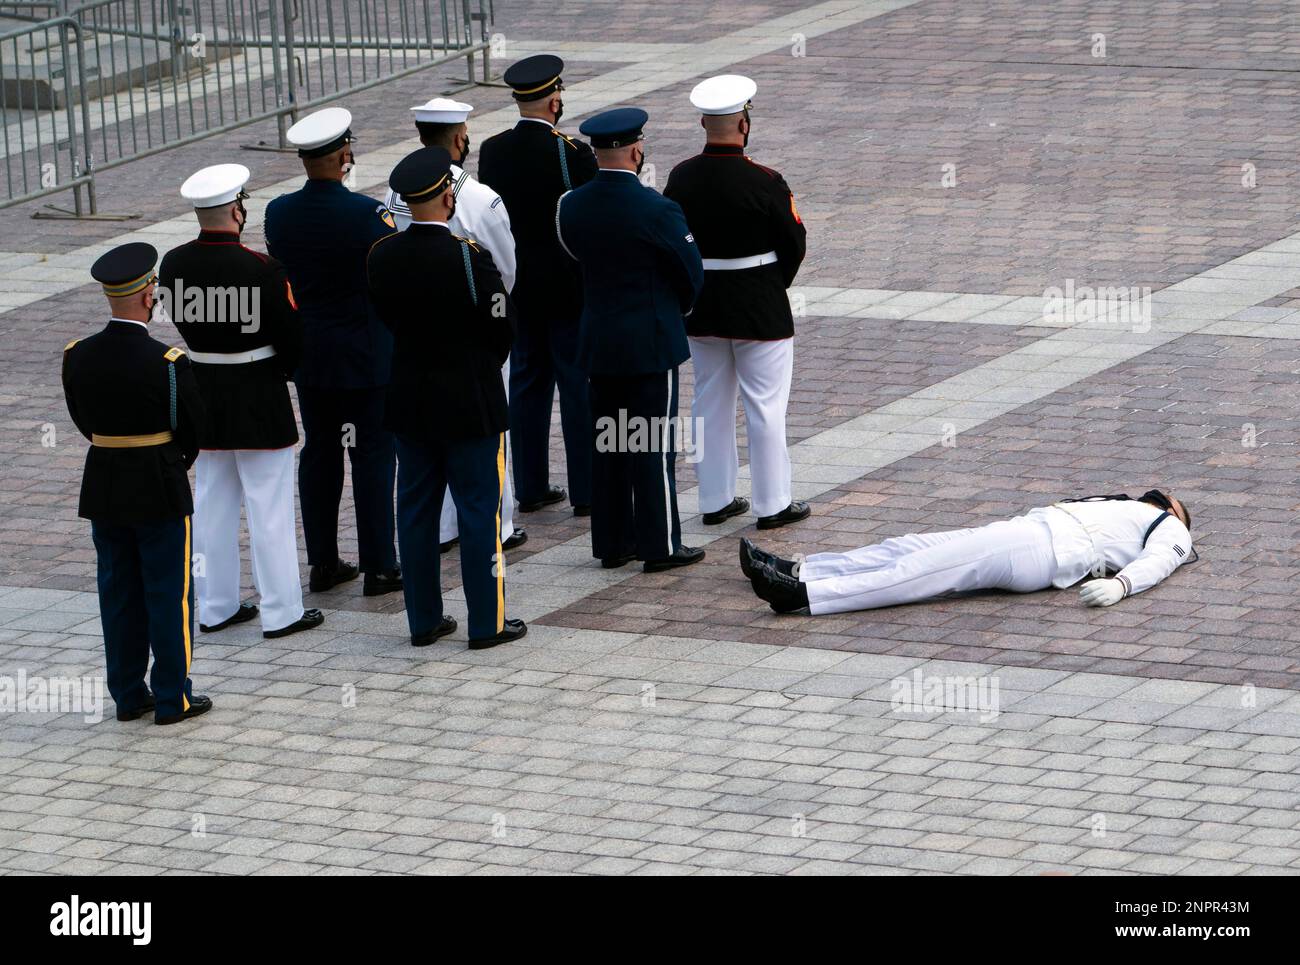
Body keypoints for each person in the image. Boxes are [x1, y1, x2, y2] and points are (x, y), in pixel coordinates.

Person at [367, 146, 526, 649]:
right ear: (445, 196)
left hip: (410, 398)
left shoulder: (382, 254)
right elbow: (502, 325)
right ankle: (487, 622)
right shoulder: (466, 256)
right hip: (469, 399)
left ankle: (423, 621)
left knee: (415, 513)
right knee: (479, 511)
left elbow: (388, 317)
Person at [160, 163, 324, 641]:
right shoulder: (261, 268)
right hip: (257, 392)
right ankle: (281, 610)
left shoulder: (173, 264)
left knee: (212, 502)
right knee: (268, 506)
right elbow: (292, 336)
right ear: (236, 210)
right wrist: (287, 369)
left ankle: (215, 605)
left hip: (203, 392)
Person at [62, 243, 212, 724]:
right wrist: (170, 459)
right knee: (168, 593)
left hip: (104, 482)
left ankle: (128, 694)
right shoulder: (168, 362)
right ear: (149, 294)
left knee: (119, 591)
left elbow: (84, 422)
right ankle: (173, 697)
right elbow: (193, 431)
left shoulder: (78, 355)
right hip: (158, 483)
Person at [556, 107, 706, 572]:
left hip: (600, 339)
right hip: (649, 340)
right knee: (652, 445)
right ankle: (659, 545)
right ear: (637, 150)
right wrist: (672, 309)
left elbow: (574, 256)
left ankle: (613, 542)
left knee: (609, 443)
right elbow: (690, 274)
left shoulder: (570, 205)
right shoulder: (658, 209)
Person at [264, 107, 402, 599]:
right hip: (365, 354)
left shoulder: (279, 212)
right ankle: (380, 565)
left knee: (320, 454)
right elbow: (388, 274)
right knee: (372, 457)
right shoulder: (366, 215)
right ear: (345, 155)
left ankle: (324, 562)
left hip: (312, 354)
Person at [664, 74, 810, 530]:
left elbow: (675, 240)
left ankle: (714, 498)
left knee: (708, 401)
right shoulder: (765, 180)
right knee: (765, 406)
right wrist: (770, 285)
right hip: (758, 307)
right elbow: (794, 242)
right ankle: (773, 504)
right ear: (743, 123)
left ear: (704, 123)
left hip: (704, 305)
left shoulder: (682, 176)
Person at [382, 97, 525, 554]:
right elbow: (505, 270)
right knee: (484, 438)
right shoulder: (480, 197)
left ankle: (444, 529)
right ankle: (496, 526)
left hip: (416, 342)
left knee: (430, 444)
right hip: (475, 339)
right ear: (461, 138)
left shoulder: (396, 192)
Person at [742, 490, 1195, 614]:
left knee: (919, 572)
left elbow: (1160, 561)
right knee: (906, 547)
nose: (1161, 497)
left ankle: (806, 594)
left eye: (1170, 500)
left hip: (1042, 550)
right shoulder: (1122, 504)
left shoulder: (1171, 528)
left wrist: (1121, 584)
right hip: (1023, 531)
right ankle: (801, 568)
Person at [478, 54, 596, 517]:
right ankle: (586, 490)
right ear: (554, 100)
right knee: (576, 385)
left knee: (526, 386)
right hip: (567, 284)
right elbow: (583, 219)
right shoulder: (571, 153)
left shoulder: (493, 150)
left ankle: (530, 486)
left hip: (518, 286)